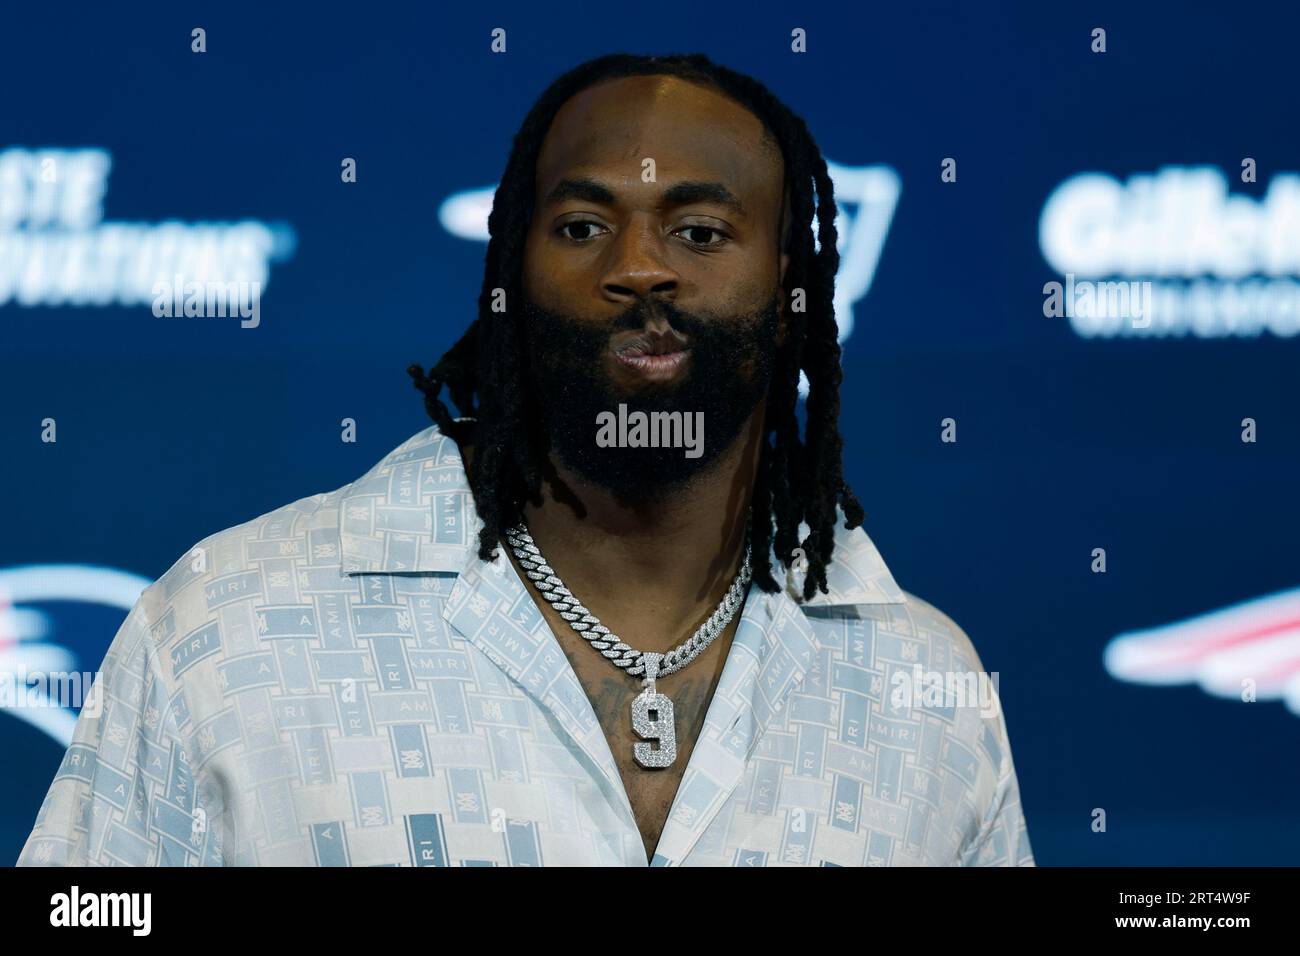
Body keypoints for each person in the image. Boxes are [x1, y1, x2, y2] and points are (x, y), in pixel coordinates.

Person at [18, 52, 1032, 867]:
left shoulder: (918, 678)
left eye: (700, 228)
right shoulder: (225, 628)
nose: (639, 266)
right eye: (583, 224)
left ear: (789, 292)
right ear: (512, 272)